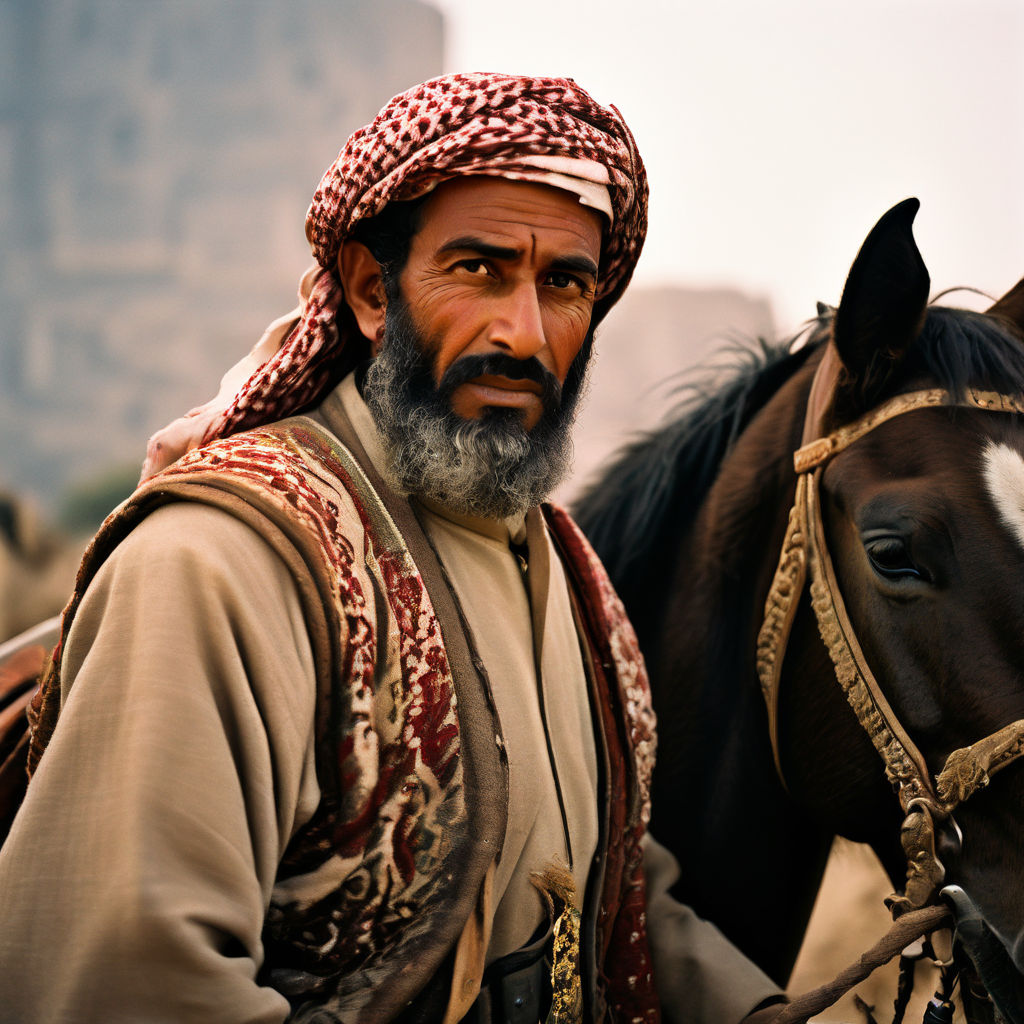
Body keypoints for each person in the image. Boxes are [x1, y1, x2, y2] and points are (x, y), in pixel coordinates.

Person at [0, 73, 787, 1023]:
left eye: (565, 285)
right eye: (479, 268)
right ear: (374, 294)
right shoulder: (220, 564)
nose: (524, 333)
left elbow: (612, 884)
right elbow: (128, 984)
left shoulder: (568, 577)